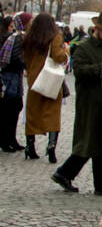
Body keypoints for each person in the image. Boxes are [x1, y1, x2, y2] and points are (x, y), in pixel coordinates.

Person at [51, 10, 102, 194]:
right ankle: (64, 173)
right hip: (89, 102)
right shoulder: (84, 47)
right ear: (97, 30)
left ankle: (100, 184)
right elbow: (80, 71)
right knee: (88, 142)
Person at [21, 13, 69, 161]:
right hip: (51, 80)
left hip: (34, 81)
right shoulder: (55, 37)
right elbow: (58, 56)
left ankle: (30, 146)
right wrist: (66, 51)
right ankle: (51, 146)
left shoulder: (29, 38)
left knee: (32, 113)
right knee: (52, 113)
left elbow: (25, 58)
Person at [0, 12, 33, 151]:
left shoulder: (21, 37)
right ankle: (5, 140)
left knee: (15, 108)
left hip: (15, 77)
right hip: (10, 77)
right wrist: (27, 64)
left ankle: (11, 139)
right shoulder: (17, 38)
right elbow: (14, 58)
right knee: (9, 109)